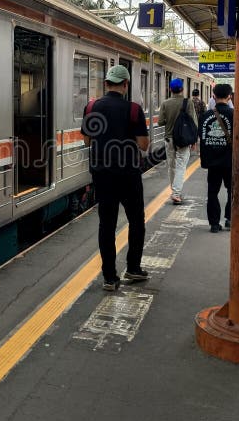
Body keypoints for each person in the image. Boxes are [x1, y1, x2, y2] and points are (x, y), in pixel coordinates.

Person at [81, 65, 150, 291]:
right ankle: (133, 268)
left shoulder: (91, 107)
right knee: (136, 222)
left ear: (106, 84)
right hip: (128, 175)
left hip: (102, 175)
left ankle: (109, 278)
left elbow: (87, 141)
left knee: (106, 225)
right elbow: (143, 145)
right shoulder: (133, 109)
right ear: (126, 85)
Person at [198, 84, 234, 232]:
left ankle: (213, 223)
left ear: (213, 96)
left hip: (212, 161)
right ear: (229, 96)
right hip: (229, 160)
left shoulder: (205, 115)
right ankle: (230, 218)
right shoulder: (234, 114)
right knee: (232, 190)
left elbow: (201, 136)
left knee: (212, 192)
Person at [158, 77, 196, 204]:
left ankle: (174, 191)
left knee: (171, 166)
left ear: (170, 89)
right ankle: (176, 193)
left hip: (169, 139)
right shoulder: (188, 102)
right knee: (180, 166)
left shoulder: (165, 103)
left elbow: (160, 122)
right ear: (182, 89)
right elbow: (193, 122)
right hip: (184, 140)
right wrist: (194, 140)